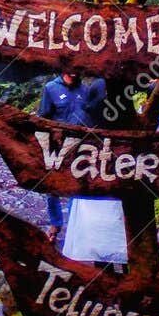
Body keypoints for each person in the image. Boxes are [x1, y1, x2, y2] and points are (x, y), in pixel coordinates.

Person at [38, 69, 107, 243]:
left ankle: (74, 227)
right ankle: (55, 224)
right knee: (52, 186)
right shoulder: (50, 88)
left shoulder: (85, 90)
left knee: (78, 184)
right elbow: (43, 116)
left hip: (81, 147)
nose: (75, 72)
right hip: (58, 145)